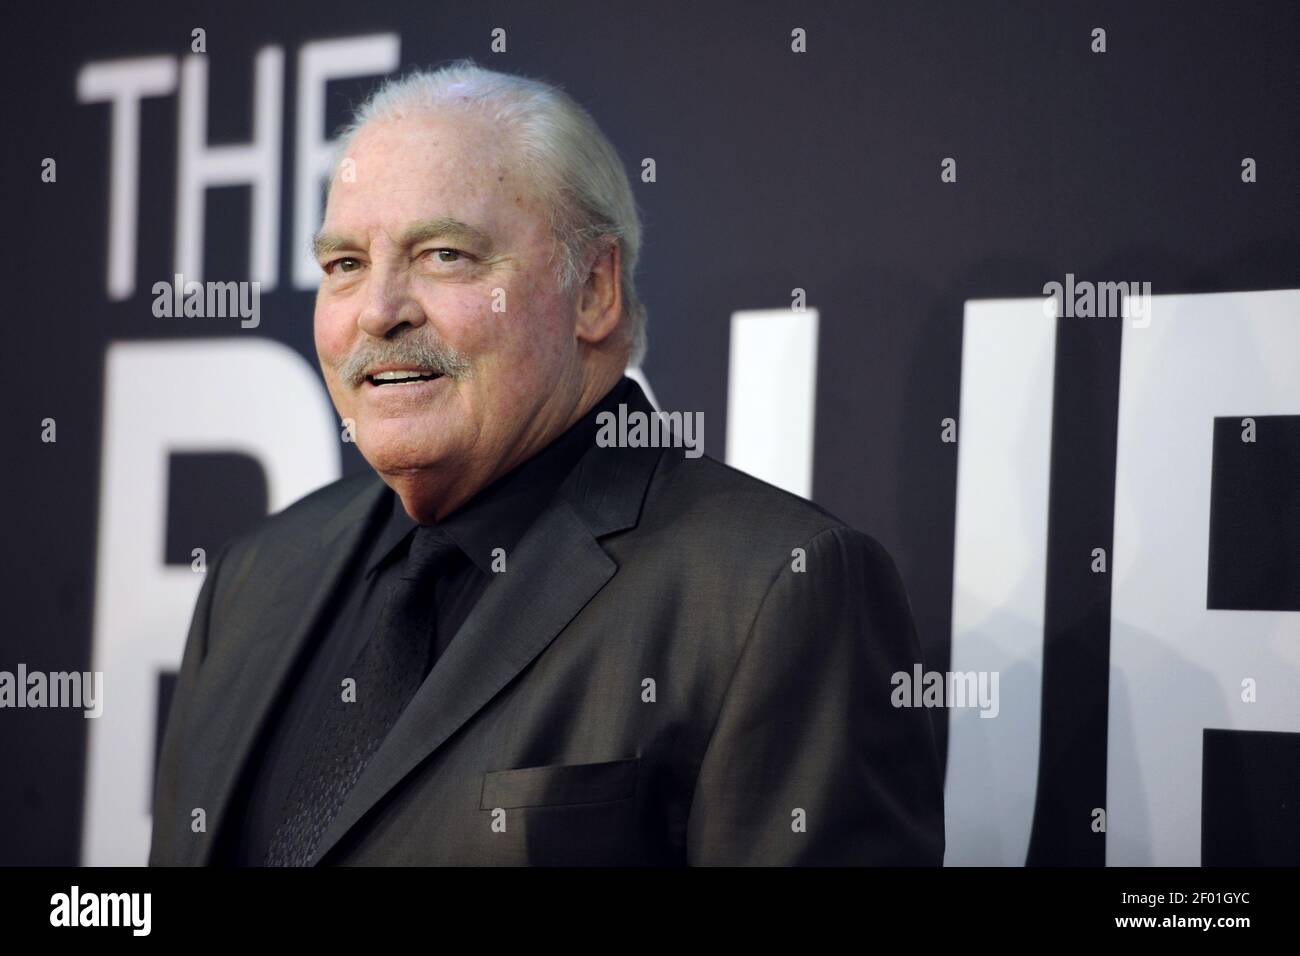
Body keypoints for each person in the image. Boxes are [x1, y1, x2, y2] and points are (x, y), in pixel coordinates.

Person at [148, 59, 944, 866]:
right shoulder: (253, 581)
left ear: (594, 291)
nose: (378, 312)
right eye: (345, 265)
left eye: (445, 254)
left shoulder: (772, 594)